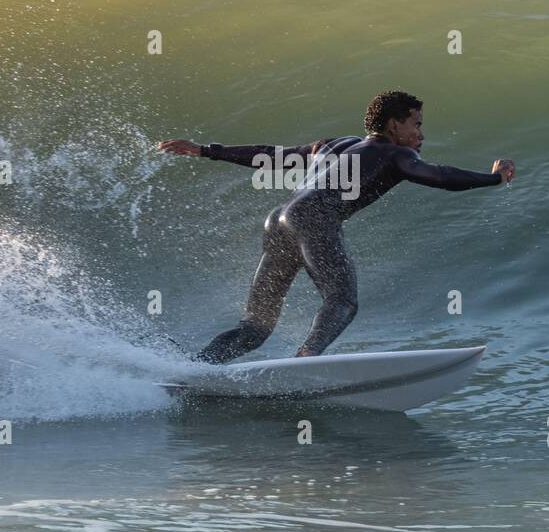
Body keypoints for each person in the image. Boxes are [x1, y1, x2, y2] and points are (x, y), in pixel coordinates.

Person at [157, 90, 515, 363]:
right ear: (394, 125)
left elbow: (273, 156)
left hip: (280, 220)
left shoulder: (333, 145)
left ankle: (196, 367)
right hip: (314, 218)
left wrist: (206, 150)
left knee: (254, 328)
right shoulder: (397, 154)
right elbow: (440, 177)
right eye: (416, 123)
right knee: (342, 300)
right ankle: (306, 361)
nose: (421, 132)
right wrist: (492, 179)